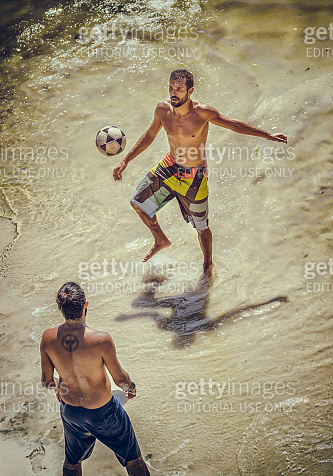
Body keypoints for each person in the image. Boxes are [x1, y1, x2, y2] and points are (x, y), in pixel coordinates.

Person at [113, 69, 287, 276]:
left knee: (202, 227)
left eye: (178, 89)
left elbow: (233, 125)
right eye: (170, 88)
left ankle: (208, 266)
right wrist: (125, 160)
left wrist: (267, 135)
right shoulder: (162, 110)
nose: (173, 93)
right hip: (169, 166)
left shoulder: (203, 113)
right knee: (138, 203)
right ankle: (160, 239)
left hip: (194, 176)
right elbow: (150, 135)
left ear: (190, 90)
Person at [40, 282, 150, 476]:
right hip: (104, 413)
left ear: (60, 308)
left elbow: (47, 382)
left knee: (72, 461)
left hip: (71, 412)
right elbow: (119, 379)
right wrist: (131, 387)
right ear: (86, 304)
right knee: (133, 458)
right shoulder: (101, 339)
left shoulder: (48, 338)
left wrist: (60, 385)